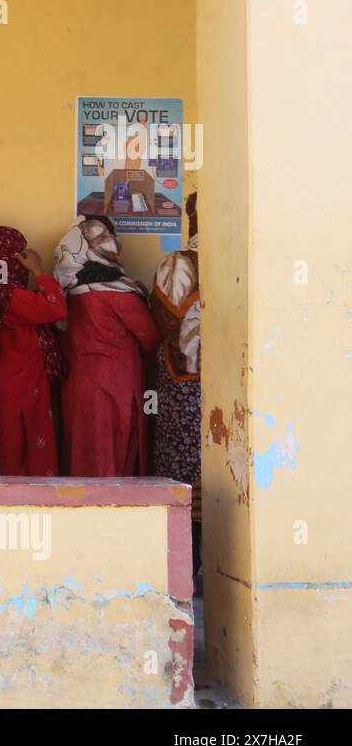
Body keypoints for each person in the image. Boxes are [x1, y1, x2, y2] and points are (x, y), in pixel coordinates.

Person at [53, 215, 161, 476]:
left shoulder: (66, 294)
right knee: (115, 456)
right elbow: (151, 337)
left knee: (83, 452)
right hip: (117, 387)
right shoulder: (120, 295)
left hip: (77, 385)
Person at [0, 226, 67, 477]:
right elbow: (56, 309)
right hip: (22, 382)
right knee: (26, 449)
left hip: (10, 380)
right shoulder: (8, 294)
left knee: (11, 446)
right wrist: (38, 271)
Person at [152, 192, 202, 574]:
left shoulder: (177, 264)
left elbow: (164, 322)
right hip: (206, 379)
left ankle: (189, 561)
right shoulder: (244, 256)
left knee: (183, 468)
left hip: (181, 377)